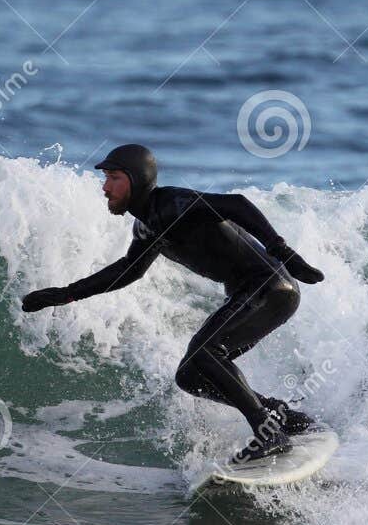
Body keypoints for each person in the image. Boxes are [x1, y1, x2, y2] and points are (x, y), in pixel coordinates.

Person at [21, 143, 325, 463]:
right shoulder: (146, 226)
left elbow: (236, 204)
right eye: (106, 178)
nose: (105, 187)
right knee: (191, 375)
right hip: (248, 292)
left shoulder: (172, 204)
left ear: (136, 179)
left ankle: (268, 433)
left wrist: (281, 249)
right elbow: (129, 270)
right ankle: (280, 416)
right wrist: (67, 293)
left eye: (114, 178)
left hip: (269, 286)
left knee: (206, 351)